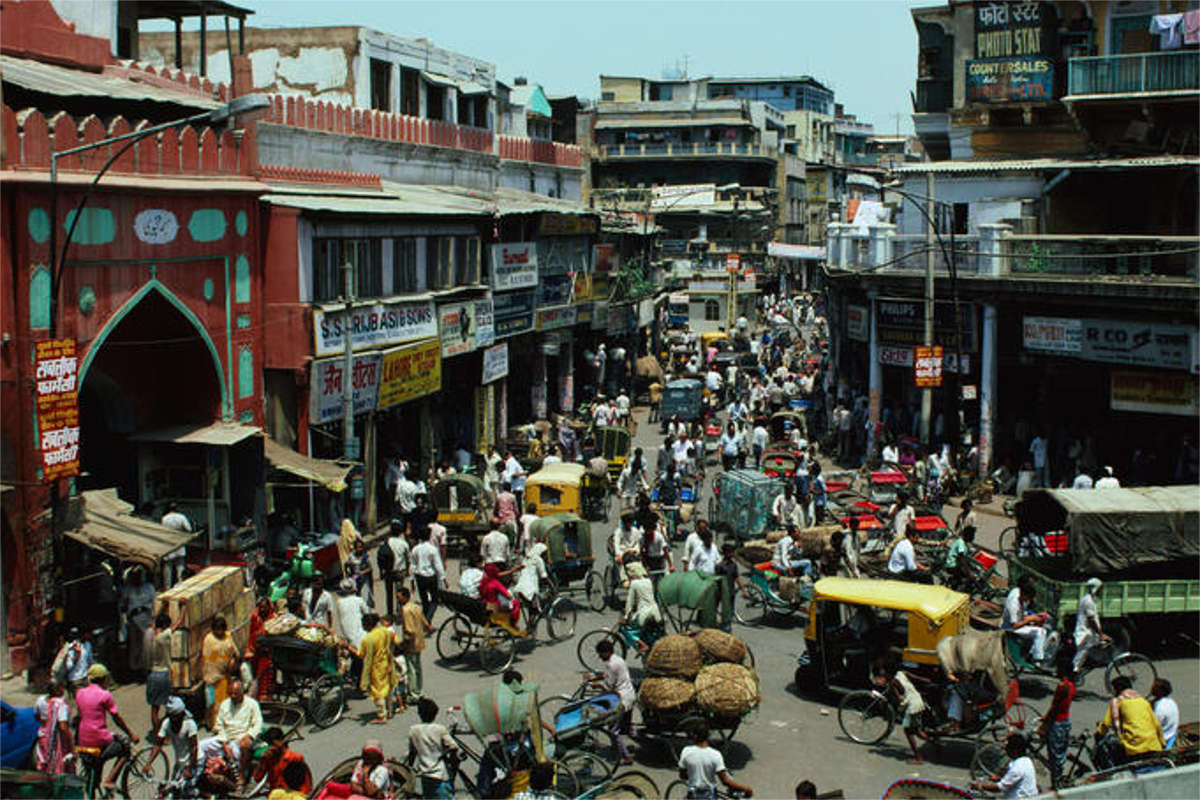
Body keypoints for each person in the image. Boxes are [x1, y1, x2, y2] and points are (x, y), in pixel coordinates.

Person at [76, 664, 139, 793]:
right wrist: (130, 733)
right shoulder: (104, 695)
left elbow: (80, 716)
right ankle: (110, 780)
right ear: (103, 679)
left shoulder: (80, 693)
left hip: (82, 739)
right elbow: (117, 718)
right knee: (125, 746)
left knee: (95, 769)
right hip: (99, 738)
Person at [200, 678, 263, 790]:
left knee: (241, 748)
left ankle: (242, 777)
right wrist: (224, 744)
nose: (233, 696)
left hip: (241, 739)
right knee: (201, 745)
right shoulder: (225, 704)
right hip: (224, 739)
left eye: (236, 694)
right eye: (231, 694)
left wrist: (249, 735)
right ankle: (199, 773)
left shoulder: (252, 704)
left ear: (242, 693)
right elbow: (220, 725)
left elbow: (258, 723)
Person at [1095, 675, 1165, 767]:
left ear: (1117, 689)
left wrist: (1098, 735)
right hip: (1153, 745)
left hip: (1134, 747)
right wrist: (1162, 743)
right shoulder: (1143, 701)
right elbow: (1156, 725)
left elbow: (1105, 725)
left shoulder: (1118, 702)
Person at [677, 722, 753, 799]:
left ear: (694, 736)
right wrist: (746, 789)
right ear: (708, 736)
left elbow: (682, 775)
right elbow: (725, 781)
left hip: (693, 795)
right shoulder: (715, 755)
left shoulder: (686, 752)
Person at [592, 638, 636, 765]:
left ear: (606, 652)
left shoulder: (611, 664)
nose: (600, 657)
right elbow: (607, 675)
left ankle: (626, 756)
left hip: (622, 699)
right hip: (630, 695)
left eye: (600, 654)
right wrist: (595, 678)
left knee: (613, 730)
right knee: (626, 728)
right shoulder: (618, 659)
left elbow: (608, 687)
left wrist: (596, 685)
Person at [147, 696, 201, 793]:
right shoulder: (167, 723)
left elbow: (194, 748)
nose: (174, 719)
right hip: (179, 763)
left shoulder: (189, 724)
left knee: (186, 791)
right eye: (171, 716)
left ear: (181, 714)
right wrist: (148, 763)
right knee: (172, 790)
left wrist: (189, 769)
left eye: (176, 716)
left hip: (194, 762)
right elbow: (158, 745)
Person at [408, 697, 458, 799]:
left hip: (425, 774)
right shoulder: (440, 729)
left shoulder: (414, 730)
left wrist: (409, 768)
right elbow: (454, 747)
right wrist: (447, 757)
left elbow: (412, 753)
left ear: (419, 714)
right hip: (440, 774)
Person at [1002, 575, 1055, 666]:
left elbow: (1022, 616)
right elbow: (1014, 625)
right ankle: (1037, 659)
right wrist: (1030, 619)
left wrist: (1035, 616)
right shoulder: (1014, 603)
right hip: (1010, 627)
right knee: (1040, 632)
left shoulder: (1019, 594)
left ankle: (1032, 653)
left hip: (1017, 623)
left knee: (1042, 626)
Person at [201, 616, 240, 730]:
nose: (219, 632)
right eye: (217, 629)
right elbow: (207, 658)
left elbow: (235, 652)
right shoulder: (208, 639)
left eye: (221, 629)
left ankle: (222, 723)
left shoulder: (228, 636)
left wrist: (233, 661)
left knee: (223, 702)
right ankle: (213, 724)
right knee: (212, 703)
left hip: (224, 675)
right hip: (211, 677)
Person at [360, 613, 400, 723]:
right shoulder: (384, 631)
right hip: (387, 663)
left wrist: (347, 647)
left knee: (378, 692)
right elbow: (393, 641)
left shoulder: (368, 639)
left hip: (376, 667)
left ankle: (382, 716)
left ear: (367, 625)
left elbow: (362, 655)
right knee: (388, 689)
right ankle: (389, 711)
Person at [971, 733, 1038, 798]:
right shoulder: (1027, 761)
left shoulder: (1017, 769)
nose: (1006, 751)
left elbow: (1000, 788)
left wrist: (980, 786)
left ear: (1014, 751)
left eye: (1007, 749)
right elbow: (1013, 781)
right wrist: (999, 779)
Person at [398, 585, 433, 702]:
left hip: (411, 643)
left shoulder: (405, 610)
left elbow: (409, 630)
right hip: (419, 641)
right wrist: (428, 627)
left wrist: (403, 644)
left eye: (399, 597)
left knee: (411, 669)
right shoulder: (416, 606)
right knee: (417, 668)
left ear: (405, 597)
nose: (398, 600)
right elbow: (424, 620)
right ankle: (419, 689)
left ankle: (413, 693)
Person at [147, 611, 180, 731]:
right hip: (163, 674)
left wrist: (164, 607)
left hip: (152, 674)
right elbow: (178, 623)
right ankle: (166, 734)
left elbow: (154, 621)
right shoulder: (165, 635)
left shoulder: (151, 635)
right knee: (169, 705)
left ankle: (156, 733)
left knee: (154, 709)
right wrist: (183, 608)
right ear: (166, 625)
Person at [120, 567, 156, 675]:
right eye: (135, 576)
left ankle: (147, 668)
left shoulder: (149, 587)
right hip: (134, 619)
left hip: (147, 618)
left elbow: (154, 603)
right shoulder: (128, 589)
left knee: (147, 645)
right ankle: (135, 669)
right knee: (135, 646)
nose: (137, 578)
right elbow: (123, 604)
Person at [34, 680, 72, 774]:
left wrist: (47, 723)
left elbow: (36, 715)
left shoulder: (40, 700)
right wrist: (70, 744)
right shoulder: (60, 705)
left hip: (43, 733)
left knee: (44, 760)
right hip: (56, 737)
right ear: (58, 690)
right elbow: (63, 727)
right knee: (57, 763)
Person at [621, 562, 662, 650]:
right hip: (655, 611)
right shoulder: (649, 581)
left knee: (626, 630)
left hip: (644, 613)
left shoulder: (634, 583)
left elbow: (630, 602)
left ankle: (643, 644)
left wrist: (626, 616)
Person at [1072, 577, 1109, 672]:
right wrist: (1101, 635)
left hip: (1088, 631)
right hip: (1085, 632)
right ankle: (1074, 670)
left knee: (1088, 648)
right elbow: (1091, 620)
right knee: (1083, 651)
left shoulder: (1089, 599)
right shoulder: (1089, 601)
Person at [411, 525, 447, 621]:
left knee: (424, 601)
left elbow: (413, 566)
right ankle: (427, 619)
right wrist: (444, 579)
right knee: (434, 600)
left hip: (420, 577)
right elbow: (438, 565)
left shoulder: (415, 549)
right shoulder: (433, 549)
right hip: (431, 577)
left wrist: (412, 580)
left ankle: (425, 620)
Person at [382, 521, 411, 618]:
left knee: (389, 593)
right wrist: (407, 570)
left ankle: (390, 613)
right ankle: (399, 613)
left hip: (388, 571)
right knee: (399, 592)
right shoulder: (403, 544)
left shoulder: (387, 542)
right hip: (399, 572)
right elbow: (408, 559)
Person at [159, 504, 192, 587]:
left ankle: (167, 587)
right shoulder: (181, 517)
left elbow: (161, 531)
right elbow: (189, 529)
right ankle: (181, 585)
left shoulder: (164, 518)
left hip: (168, 544)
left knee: (168, 567)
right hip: (179, 544)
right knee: (180, 566)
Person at [61, 626, 94, 695]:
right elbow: (68, 666)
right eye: (88, 634)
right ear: (83, 634)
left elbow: (90, 661)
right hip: (75, 680)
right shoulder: (72, 647)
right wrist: (76, 657)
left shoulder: (88, 645)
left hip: (85, 678)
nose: (90, 636)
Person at [1150, 679, 1179, 750]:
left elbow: (1154, 726)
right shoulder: (1171, 702)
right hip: (1171, 732)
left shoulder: (1160, 708)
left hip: (1164, 738)